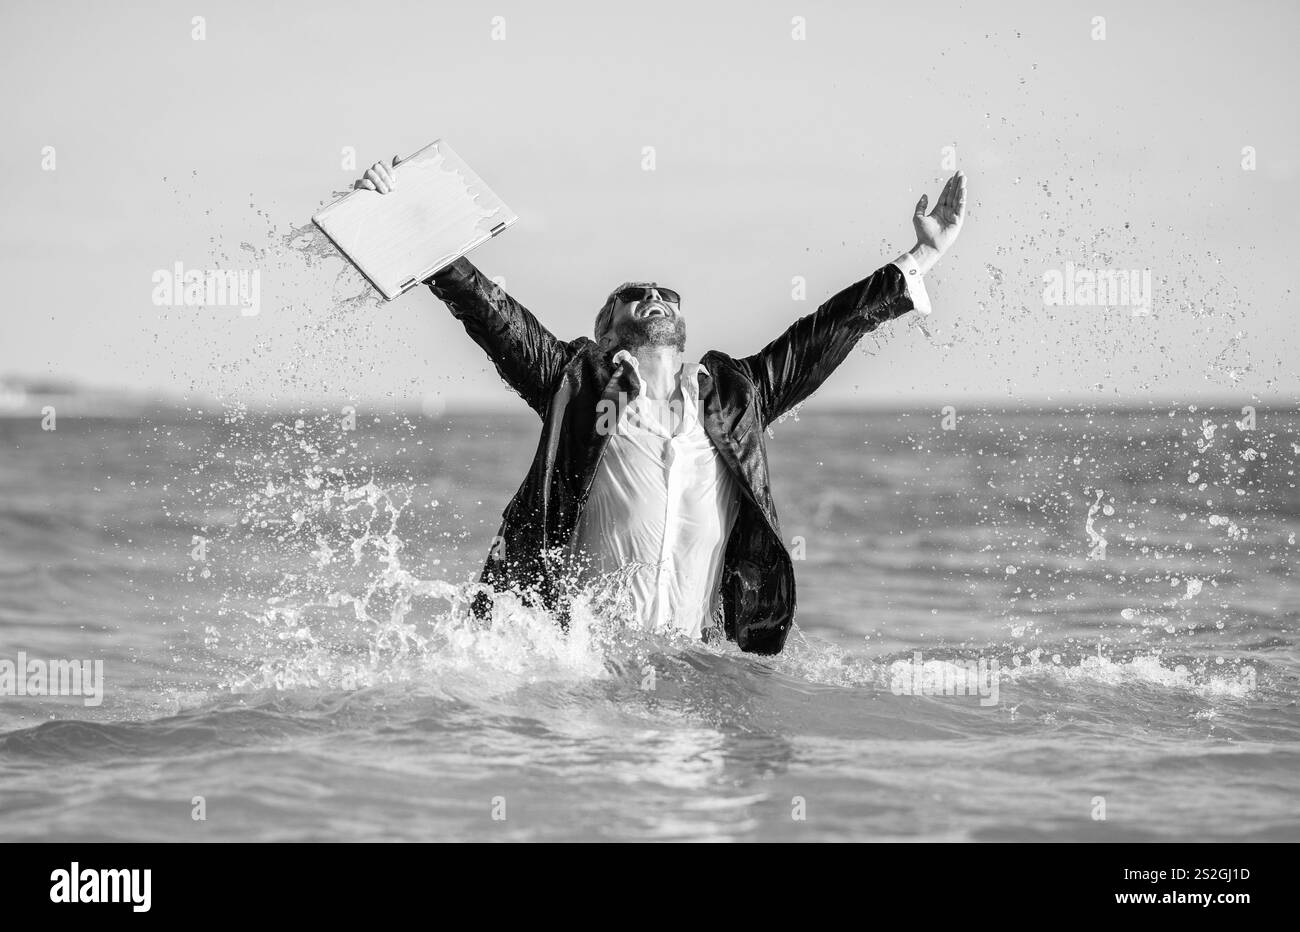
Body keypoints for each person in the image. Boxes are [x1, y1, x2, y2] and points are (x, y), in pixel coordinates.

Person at [355, 158, 967, 654]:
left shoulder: (734, 399)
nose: (653, 297)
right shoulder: (576, 386)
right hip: (591, 673)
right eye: (632, 296)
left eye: (665, 295)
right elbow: (492, 313)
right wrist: (408, 216)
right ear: (604, 331)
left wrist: (922, 258)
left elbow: (823, 333)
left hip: (700, 667)